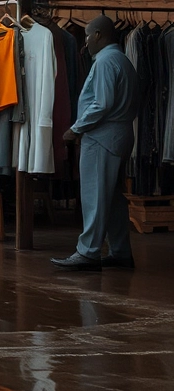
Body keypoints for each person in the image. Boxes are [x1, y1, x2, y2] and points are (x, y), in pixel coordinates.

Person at [55, 15, 140, 271]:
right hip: (120, 135)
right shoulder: (122, 59)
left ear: (99, 35)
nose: (86, 42)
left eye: (88, 36)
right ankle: (120, 251)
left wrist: (75, 128)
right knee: (112, 198)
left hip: (102, 138)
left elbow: (102, 103)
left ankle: (88, 252)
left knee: (95, 197)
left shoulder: (105, 62)